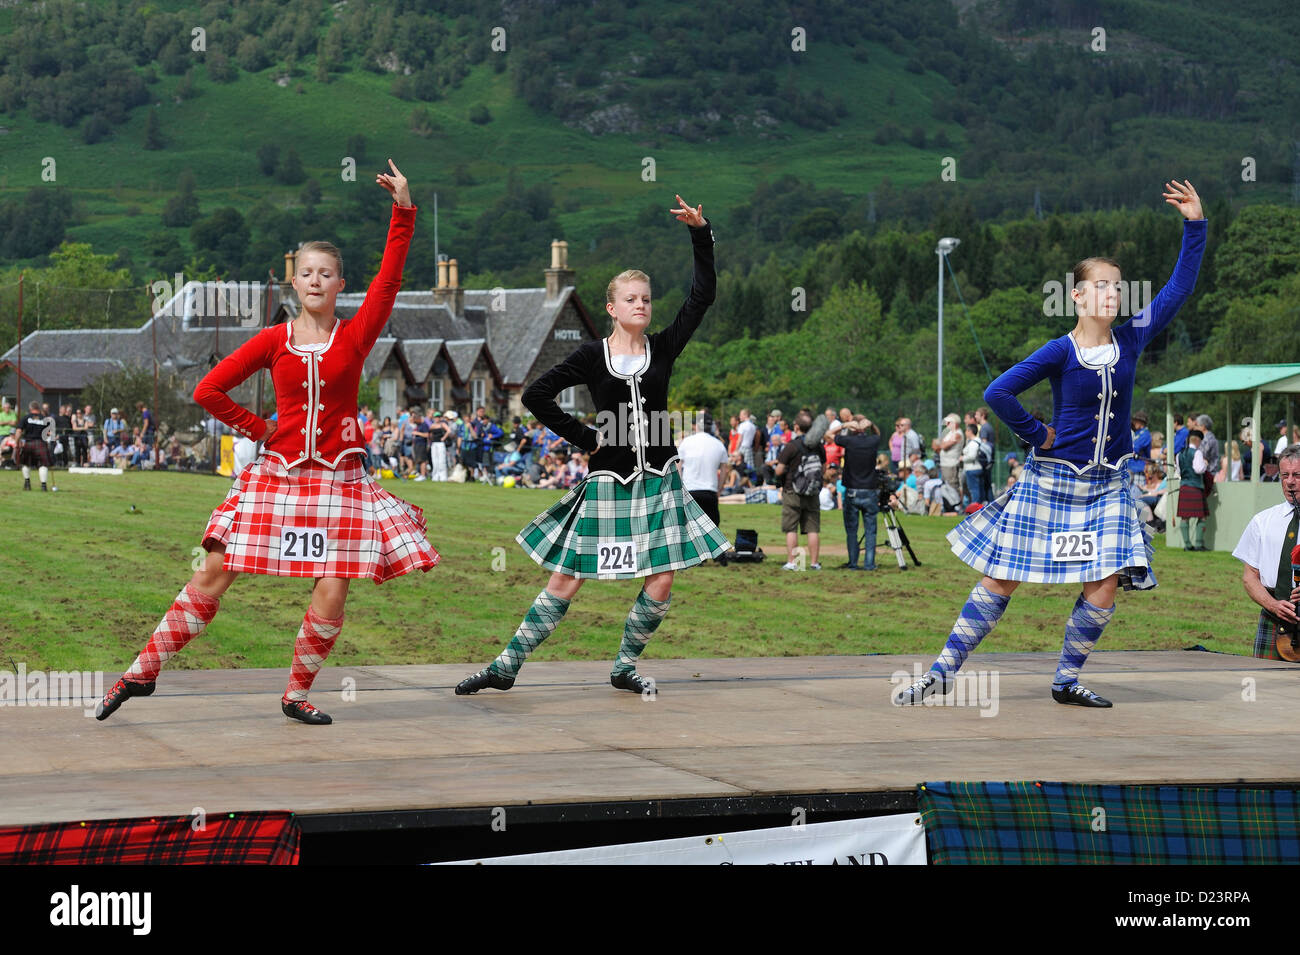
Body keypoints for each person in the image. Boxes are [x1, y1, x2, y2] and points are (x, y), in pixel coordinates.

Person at [96, 159, 439, 726]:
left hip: (339, 480)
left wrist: (403, 212)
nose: (315, 280)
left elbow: (391, 280)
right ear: (294, 280)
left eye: (326, 273)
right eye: (306, 272)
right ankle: (141, 672)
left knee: (332, 590)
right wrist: (263, 432)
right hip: (277, 475)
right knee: (212, 571)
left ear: (339, 284)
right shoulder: (273, 339)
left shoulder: (355, 337)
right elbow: (208, 390)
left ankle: (296, 693)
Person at [897, 179, 1206, 709]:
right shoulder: (1059, 351)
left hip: (1109, 484)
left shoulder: (1131, 339)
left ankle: (1066, 679)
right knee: (1002, 578)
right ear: (1078, 296)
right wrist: (1039, 434)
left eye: (1118, 287)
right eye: (1102, 286)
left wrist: (1194, 225)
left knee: (1105, 583)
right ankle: (943, 671)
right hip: (1054, 480)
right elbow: (998, 392)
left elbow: (1178, 289)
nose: (1113, 293)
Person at [455, 195, 726, 697]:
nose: (641, 305)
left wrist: (699, 233)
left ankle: (624, 666)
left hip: (660, 482)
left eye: (646, 298)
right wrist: (586, 438)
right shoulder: (589, 355)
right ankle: (505, 666)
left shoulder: (664, 347)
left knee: (662, 581)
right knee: (567, 580)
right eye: (631, 299)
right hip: (607, 484)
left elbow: (703, 296)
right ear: (611, 308)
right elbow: (536, 394)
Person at [1232, 445, 1300, 660]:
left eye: (1297, 475)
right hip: (1272, 617)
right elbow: (1249, 576)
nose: (1290, 481)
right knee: (1264, 686)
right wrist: (1273, 605)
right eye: (1285, 475)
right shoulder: (1262, 521)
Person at [775, 409, 825, 571]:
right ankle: (814, 563)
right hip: (812, 491)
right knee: (812, 528)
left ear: (796, 427)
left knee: (791, 528)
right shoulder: (819, 447)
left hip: (792, 490)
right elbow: (822, 468)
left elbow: (779, 470)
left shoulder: (792, 446)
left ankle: (793, 563)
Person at [836, 414, 882, 570]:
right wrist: (872, 424)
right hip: (869, 490)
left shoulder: (850, 441)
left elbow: (828, 435)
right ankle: (869, 563)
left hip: (852, 490)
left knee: (851, 530)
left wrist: (845, 425)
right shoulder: (872, 441)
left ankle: (853, 562)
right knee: (871, 530)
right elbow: (878, 434)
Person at [678, 412, 729, 528]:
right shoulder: (719, 445)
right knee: (712, 531)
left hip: (690, 491)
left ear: (695, 425)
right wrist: (719, 490)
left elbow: (678, 466)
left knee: (690, 530)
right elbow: (724, 471)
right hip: (709, 491)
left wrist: (680, 486)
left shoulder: (686, 442)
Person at [1176, 428, 1208, 550]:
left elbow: (1178, 472)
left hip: (1184, 487)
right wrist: (1205, 463)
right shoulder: (1197, 453)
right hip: (1195, 486)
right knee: (1202, 516)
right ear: (1198, 441)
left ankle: (1187, 545)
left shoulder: (1180, 454)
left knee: (1185, 517)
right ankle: (1199, 544)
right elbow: (1198, 469)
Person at [17, 401, 53, 491]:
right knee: (43, 465)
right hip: (41, 443)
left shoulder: (25, 418)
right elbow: (49, 433)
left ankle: (27, 483)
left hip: (28, 443)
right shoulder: (44, 419)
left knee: (26, 463)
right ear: (39, 408)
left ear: (30, 408)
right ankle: (43, 486)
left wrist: (16, 442)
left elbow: (18, 431)